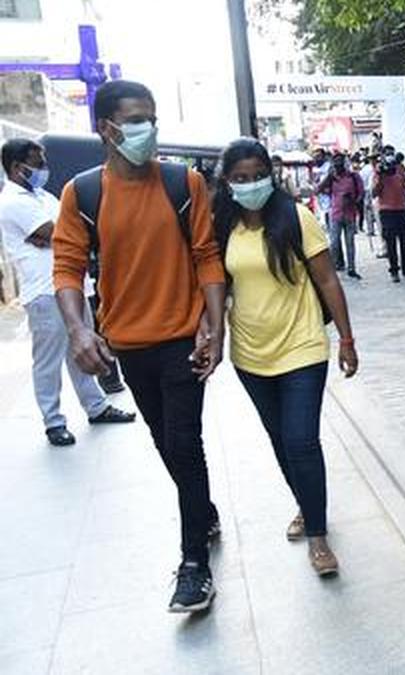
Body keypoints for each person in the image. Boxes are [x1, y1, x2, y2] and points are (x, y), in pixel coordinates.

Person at [52, 80, 226, 612]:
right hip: (128, 345)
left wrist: (213, 327)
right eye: (135, 119)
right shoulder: (83, 194)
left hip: (182, 342)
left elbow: (207, 256)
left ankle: (193, 563)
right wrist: (80, 330)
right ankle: (204, 511)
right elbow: (67, 266)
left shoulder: (183, 183)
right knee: (164, 440)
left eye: (150, 118)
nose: (147, 128)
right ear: (106, 128)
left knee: (185, 443)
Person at [211, 138, 357, 576]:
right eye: (240, 178)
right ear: (227, 181)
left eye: (258, 175)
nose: (251, 183)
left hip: (303, 346)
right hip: (251, 354)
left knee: (301, 440)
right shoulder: (221, 225)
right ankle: (305, 502)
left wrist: (347, 339)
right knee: (280, 440)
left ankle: (318, 536)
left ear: (270, 175)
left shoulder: (297, 217)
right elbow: (215, 284)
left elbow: (328, 281)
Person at [0, 138, 135, 447]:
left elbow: (71, 231)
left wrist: (60, 234)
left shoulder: (43, 196)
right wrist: (60, 234)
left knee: (82, 351)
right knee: (47, 362)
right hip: (45, 292)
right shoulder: (12, 201)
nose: (44, 168)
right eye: (37, 163)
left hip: (71, 285)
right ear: (17, 167)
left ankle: (96, 406)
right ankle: (53, 421)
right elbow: (58, 233)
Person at [317, 152, 364, 279]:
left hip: (350, 214)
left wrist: (353, 200)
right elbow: (318, 190)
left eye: (340, 161)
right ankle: (335, 265)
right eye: (335, 162)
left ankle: (351, 268)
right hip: (335, 214)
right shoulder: (331, 178)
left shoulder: (354, 177)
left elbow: (361, 193)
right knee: (334, 242)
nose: (338, 164)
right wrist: (328, 177)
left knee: (350, 243)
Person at [375, 148, 405, 281]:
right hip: (386, 210)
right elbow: (374, 193)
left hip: (401, 208)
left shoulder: (400, 168)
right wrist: (381, 177)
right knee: (390, 242)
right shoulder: (379, 171)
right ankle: (394, 271)